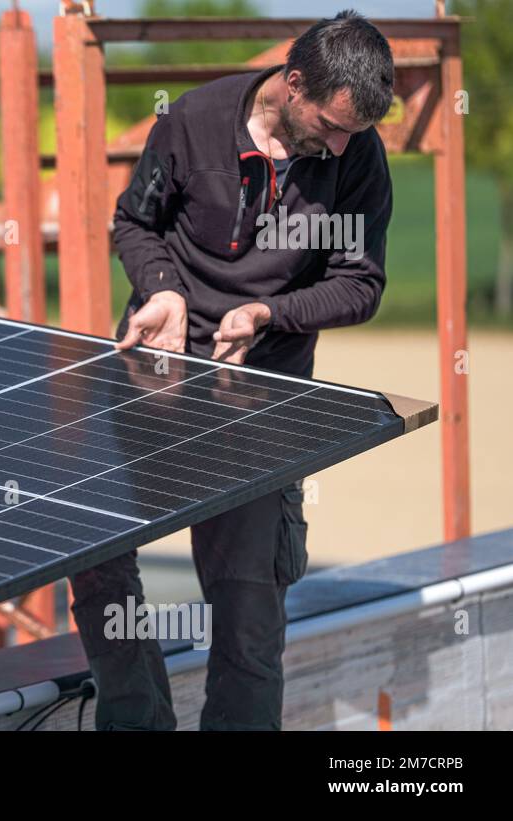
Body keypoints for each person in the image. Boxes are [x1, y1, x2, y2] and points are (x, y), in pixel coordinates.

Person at [69, 10, 395, 730]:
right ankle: (137, 719)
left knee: (249, 610)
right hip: (154, 372)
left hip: (263, 398)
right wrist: (161, 288)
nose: (340, 144)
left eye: (354, 134)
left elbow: (361, 284)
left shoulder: (357, 157)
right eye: (332, 124)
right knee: (92, 553)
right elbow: (135, 222)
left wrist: (267, 315)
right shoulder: (192, 121)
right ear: (294, 79)